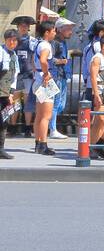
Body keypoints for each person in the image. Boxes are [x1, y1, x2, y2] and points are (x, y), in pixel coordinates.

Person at [32, 21, 59, 156]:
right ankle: (43, 144)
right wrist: (47, 74)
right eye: (53, 30)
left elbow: (34, 61)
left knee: (39, 115)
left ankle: (38, 142)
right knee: (46, 116)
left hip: (37, 79)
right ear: (47, 32)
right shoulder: (46, 45)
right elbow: (43, 60)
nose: (55, 33)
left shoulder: (38, 43)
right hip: (45, 81)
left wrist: (39, 73)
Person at [0, 26, 20, 159]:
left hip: (6, 93)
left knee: (3, 120)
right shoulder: (1, 52)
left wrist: (11, 93)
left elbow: (15, 76)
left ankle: (1, 148)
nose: (12, 43)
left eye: (14, 40)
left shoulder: (14, 55)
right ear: (5, 40)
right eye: (10, 40)